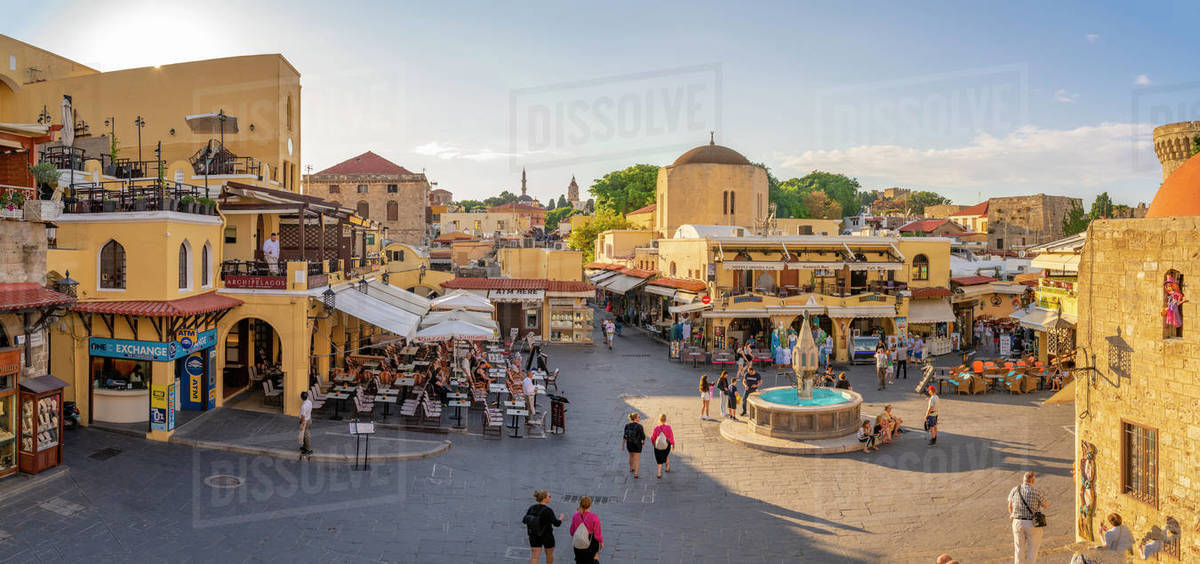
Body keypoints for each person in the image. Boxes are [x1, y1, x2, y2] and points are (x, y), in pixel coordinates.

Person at [1008, 471, 1048, 564]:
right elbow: (1045, 504)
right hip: (1032, 523)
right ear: (1033, 480)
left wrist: (1012, 515)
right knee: (1033, 549)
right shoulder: (1036, 492)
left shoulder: (1015, 490)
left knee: (1018, 549)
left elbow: (1010, 505)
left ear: (1023, 479)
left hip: (1017, 522)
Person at [524, 490, 564, 564]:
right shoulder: (548, 510)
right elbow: (556, 524)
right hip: (547, 536)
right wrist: (561, 518)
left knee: (535, 556)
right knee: (549, 555)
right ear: (544, 498)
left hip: (534, 535)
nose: (550, 497)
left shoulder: (531, 508)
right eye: (549, 496)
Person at [569, 496, 603, 563]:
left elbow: (572, 531)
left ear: (580, 504)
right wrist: (601, 542)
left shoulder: (575, 516)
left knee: (579, 561)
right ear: (590, 505)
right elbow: (597, 534)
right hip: (591, 543)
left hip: (578, 542)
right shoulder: (594, 517)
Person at [622, 413, 645, 478]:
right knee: (637, 459)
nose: (639, 418)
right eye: (639, 417)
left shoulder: (627, 425)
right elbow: (643, 436)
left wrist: (623, 445)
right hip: (637, 445)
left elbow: (625, 436)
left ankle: (631, 468)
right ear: (635, 418)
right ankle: (636, 473)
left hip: (629, 444)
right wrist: (643, 441)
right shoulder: (640, 426)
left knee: (631, 456)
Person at [650, 414, 674, 478]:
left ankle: (659, 473)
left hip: (658, 446)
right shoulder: (668, 427)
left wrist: (653, 444)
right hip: (666, 445)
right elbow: (671, 436)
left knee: (659, 460)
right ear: (665, 420)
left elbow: (653, 437)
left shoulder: (656, 428)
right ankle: (667, 467)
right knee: (666, 455)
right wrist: (673, 444)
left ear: (659, 420)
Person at [298, 391, 313, 457]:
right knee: (304, 434)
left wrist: (301, 422)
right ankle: (305, 447)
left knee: (306, 435)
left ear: (301, 397)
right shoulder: (309, 402)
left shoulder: (303, 406)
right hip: (309, 419)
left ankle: (309, 449)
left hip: (305, 421)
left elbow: (303, 416)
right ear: (307, 396)